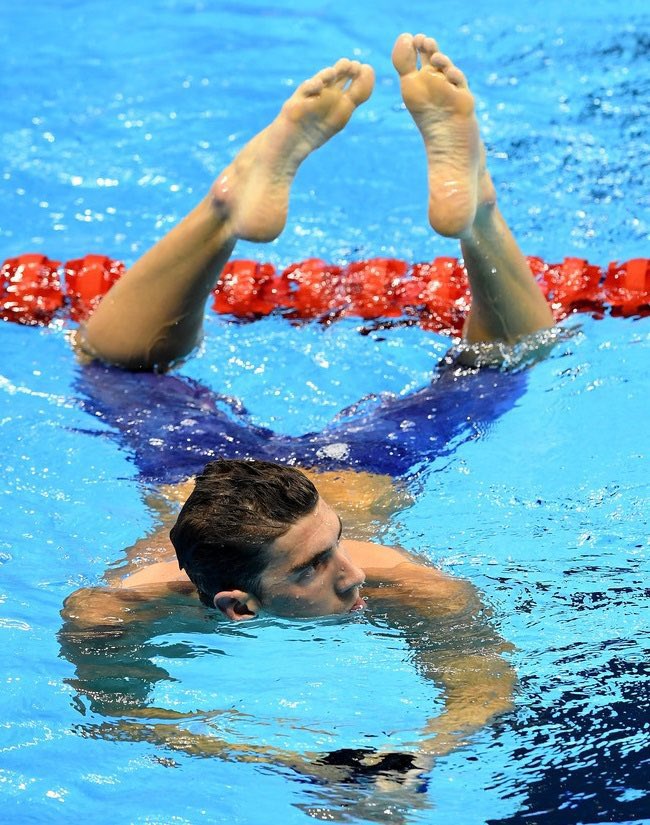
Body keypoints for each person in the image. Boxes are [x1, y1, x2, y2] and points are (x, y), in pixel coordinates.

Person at [61, 33, 554, 767]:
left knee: (108, 360)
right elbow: (116, 720)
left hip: (270, 467)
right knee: (496, 361)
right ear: (237, 604)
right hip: (322, 466)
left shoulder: (404, 579)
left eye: (333, 544)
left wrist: (425, 750)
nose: (354, 573)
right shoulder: (105, 614)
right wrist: (304, 763)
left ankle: (237, 205)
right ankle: (469, 214)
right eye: (313, 567)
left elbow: (483, 688)